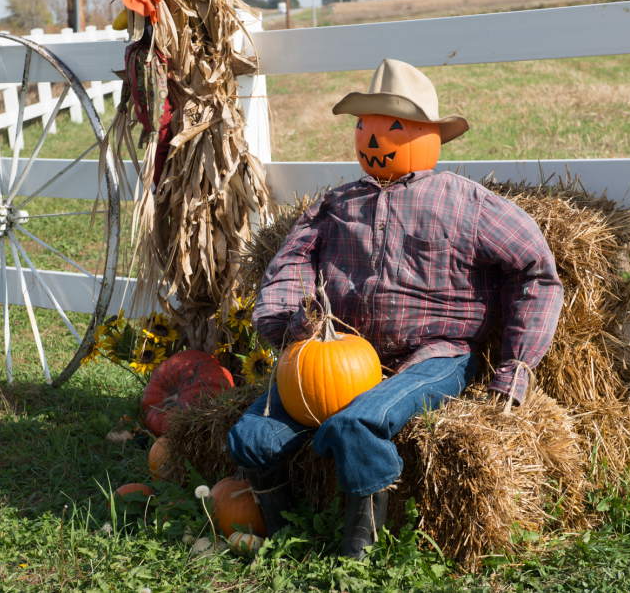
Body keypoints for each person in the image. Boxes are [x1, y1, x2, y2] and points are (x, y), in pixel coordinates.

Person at [227, 59, 563, 559]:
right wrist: (296, 326)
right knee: (251, 436)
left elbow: (535, 269)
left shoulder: (467, 204)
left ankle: (359, 548)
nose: (373, 139)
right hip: (342, 355)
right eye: (364, 126)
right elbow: (290, 260)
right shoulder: (336, 205)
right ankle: (284, 535)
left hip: (434, 357)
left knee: (357, 424)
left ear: (428, 135)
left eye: (393, 127)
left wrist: (513, 372)